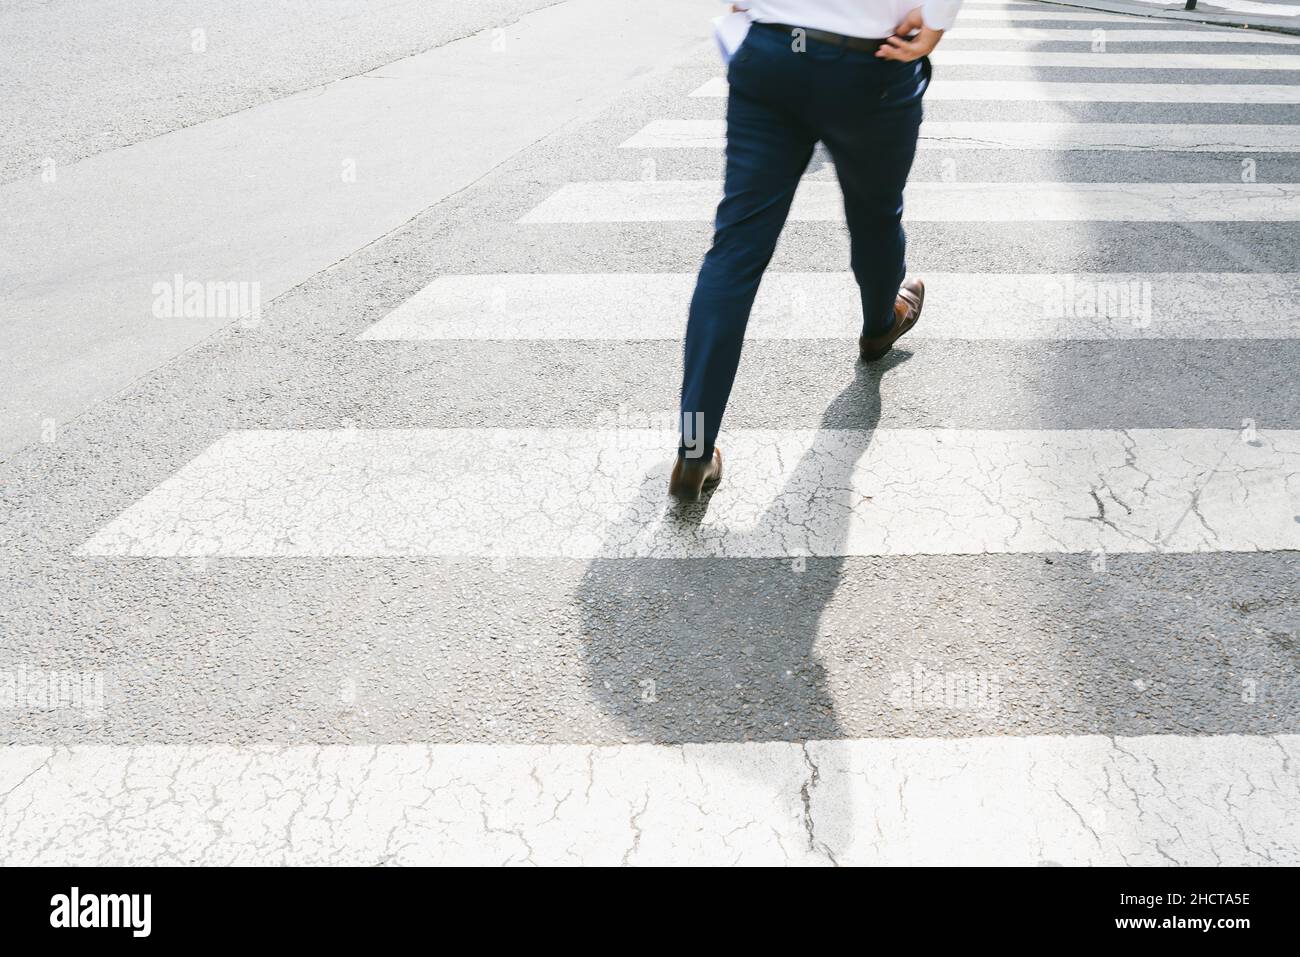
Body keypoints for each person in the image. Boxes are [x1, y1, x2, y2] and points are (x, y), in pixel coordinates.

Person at [669, 0, 961, 501]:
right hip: (871, 62)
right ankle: (879, 325)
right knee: (874, 217)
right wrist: (937, 21)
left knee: (735, 252)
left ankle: (694, 448)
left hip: (772, 54)